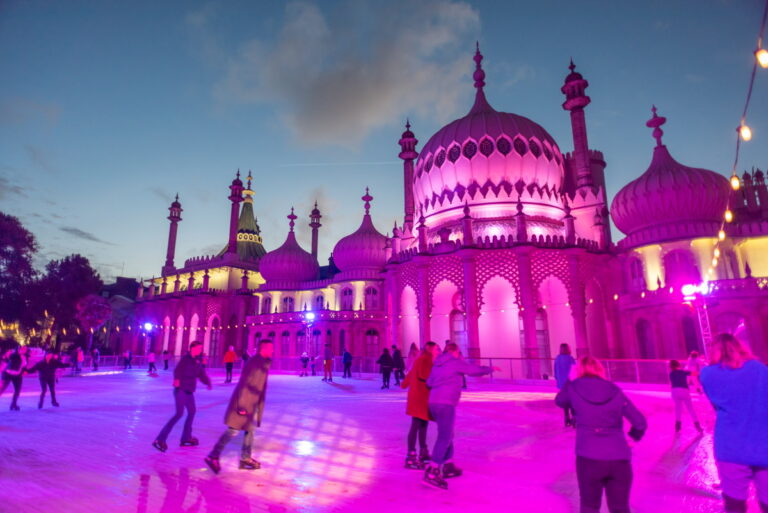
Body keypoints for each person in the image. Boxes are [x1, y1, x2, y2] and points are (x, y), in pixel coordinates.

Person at [555, 355, 647, 513]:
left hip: (589, 457)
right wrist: (632, 438)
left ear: (578, 370)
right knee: (620, 508)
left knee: (589, 507)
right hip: (619, 458)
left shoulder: (574, 387)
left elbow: (560, 401)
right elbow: (640, 422)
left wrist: (570, 380)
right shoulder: (613, 389)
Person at [701, 333, 768, 513]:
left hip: (731, 445)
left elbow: (716, 403)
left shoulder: (707, 374)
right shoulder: (760, 369)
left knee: (734, 503)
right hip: (763, 442)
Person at [422, 342, 496, 489]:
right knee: (445, 436)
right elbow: (472, 370)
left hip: (433, 403)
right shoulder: (454, 362)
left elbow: (429, 382)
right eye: (458, 352)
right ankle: (432, 470)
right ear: (454, 351)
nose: (459, 355)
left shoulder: (437, 363)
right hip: (446, 403)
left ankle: (448, 464)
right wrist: (489, 369)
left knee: (447, 433)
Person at [205, 339, 274, 474]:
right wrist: (242, 406)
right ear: (263, 349)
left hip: (252, 402)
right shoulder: (255, 363)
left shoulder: (263, 362)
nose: (272, 351)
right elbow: (245, 383)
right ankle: (213, 455)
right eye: (270, 348)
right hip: (245, 403)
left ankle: (245, 458)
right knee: (234, 430)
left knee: (250, 430)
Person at [152, 341, 212, 452]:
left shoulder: (197, 360)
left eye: (201, 348)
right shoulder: (186, 359)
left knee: (192, 411)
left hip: (189, 391)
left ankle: (186, 438)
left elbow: (201, 373)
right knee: (179, 413)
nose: (200, 350)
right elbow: (177, 370)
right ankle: (160, 439)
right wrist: (176, 380)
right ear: (192, 348)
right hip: (181, 390)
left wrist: (207, 382)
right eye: (199, 348)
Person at [402, 341, 439, 470]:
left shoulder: (419, 359)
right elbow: (425, 376)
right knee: (417, 425)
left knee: (422, 424)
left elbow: (411, 374)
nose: (437, 351)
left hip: (418, 398)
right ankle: (411, 455)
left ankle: (422, 451)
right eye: (435, 349)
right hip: (420, 398)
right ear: (429, 349)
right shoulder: (426, 359)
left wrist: (405, 383)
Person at [669, 360, 702, 433]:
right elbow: (694, 373)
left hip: (675, 391)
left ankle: (678, 425)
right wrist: (700, 371)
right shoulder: (683, 372)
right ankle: (697, 424)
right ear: (678, 365)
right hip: (684, 391)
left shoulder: (671, 374)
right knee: (690, 409)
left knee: (678, 409)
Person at [554, 343, 577, 427]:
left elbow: (555, 371)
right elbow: (575, 370)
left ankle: (566, 417)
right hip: (570, 383)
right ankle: (574, 417)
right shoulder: (570, 359)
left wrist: (558, 381)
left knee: (565, 400)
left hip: (561, 384)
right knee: (572, 400)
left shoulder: (557, 359)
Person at [0, 346, 29, 411]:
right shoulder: (13, 355)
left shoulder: (25, 357)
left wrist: (25, 371)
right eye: (22, 349)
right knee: (1, 389)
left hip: (17, 375)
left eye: (25, 349)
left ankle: (13, 404)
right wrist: (5, 357)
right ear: (18, 349)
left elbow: (24, 366)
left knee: (17, 391)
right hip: (7, 374)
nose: (24, 350)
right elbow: (6, 359)